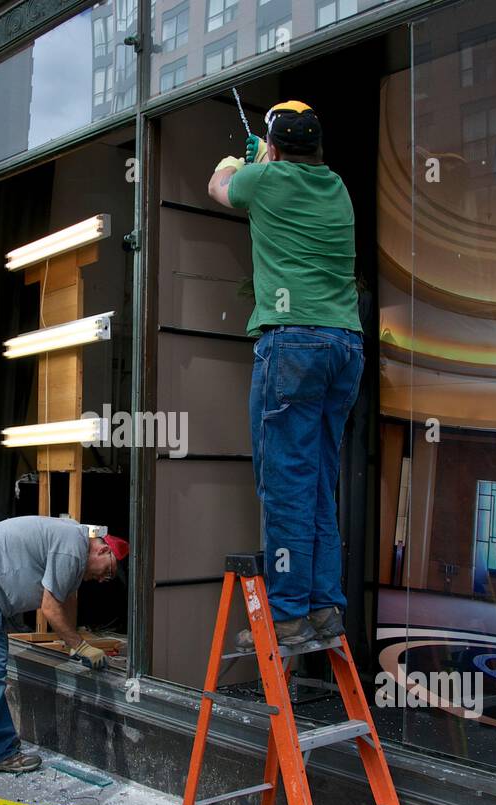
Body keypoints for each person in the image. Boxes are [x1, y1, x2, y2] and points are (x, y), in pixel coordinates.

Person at [207, 101, 364, 647]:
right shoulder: (339, 187)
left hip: (292, 343)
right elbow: (277, 178)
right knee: (319, 478)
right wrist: (266, 158)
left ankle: (288, 614)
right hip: (344, 344)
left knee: (284, 483)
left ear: (272, 149)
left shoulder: (264, 179)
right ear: (318, 148)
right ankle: (323, 607)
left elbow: (220, 186)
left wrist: (239, 158)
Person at [0, 516, 127, 773]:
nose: (102, 578)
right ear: (103, 549)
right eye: (108, 571)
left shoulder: (75, 544)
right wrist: (80, 647)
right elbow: (50, 608)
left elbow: (66, 597)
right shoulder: (72, 548)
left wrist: (73, 642)